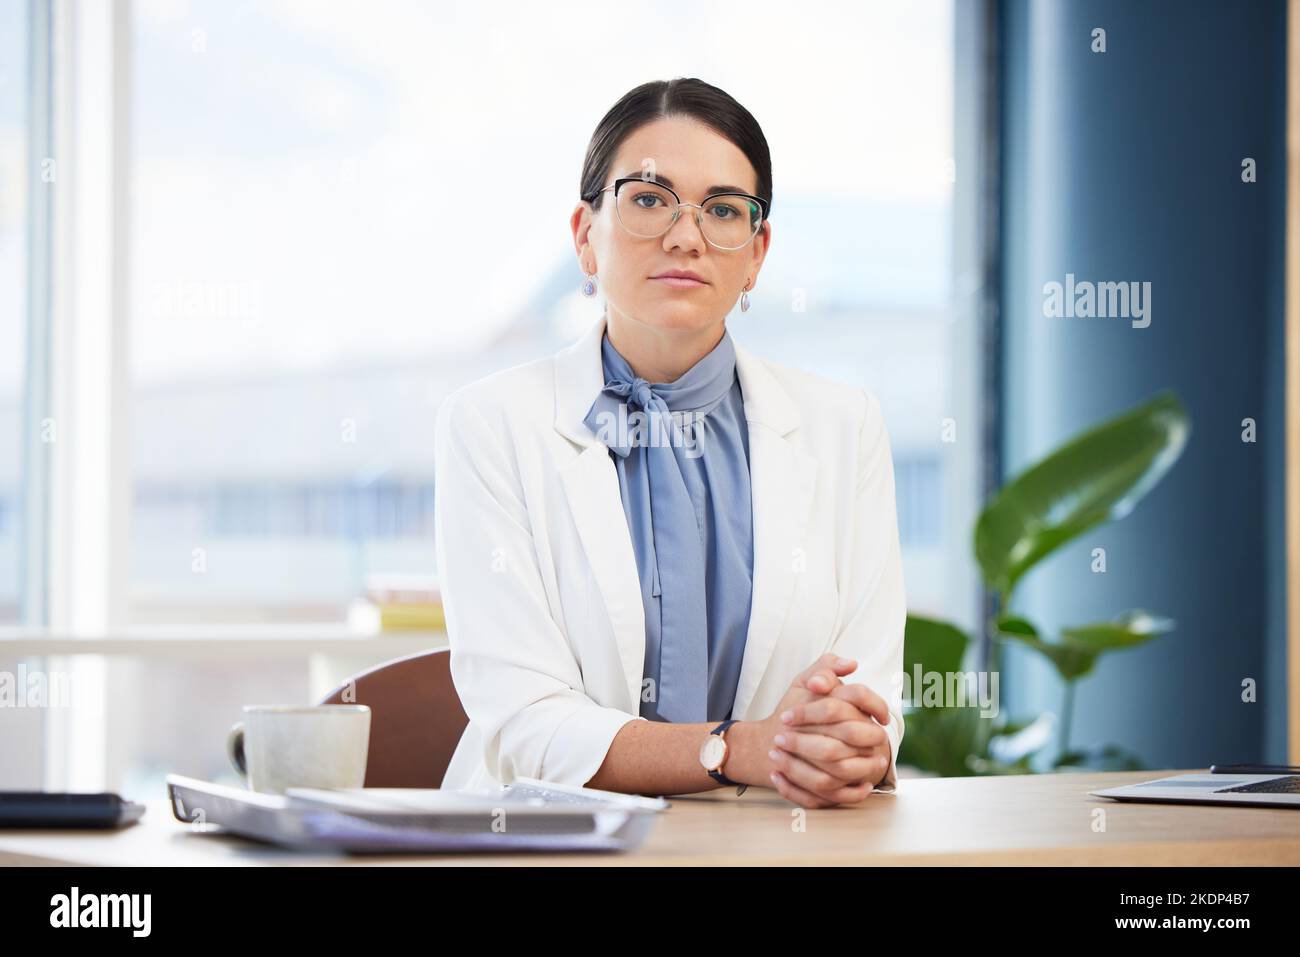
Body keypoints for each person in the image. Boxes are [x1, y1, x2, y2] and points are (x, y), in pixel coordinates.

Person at [434, 77, 906, 809]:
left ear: (756, 254)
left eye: (722, 210)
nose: (686, 235)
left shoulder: (845, 425)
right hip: (547, 848)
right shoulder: (491, 424)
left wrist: (852, 741)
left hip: (780, 848)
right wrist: (734, 748)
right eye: (649, 199)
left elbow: (867, 690)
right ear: (585, 237)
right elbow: (526, 722)